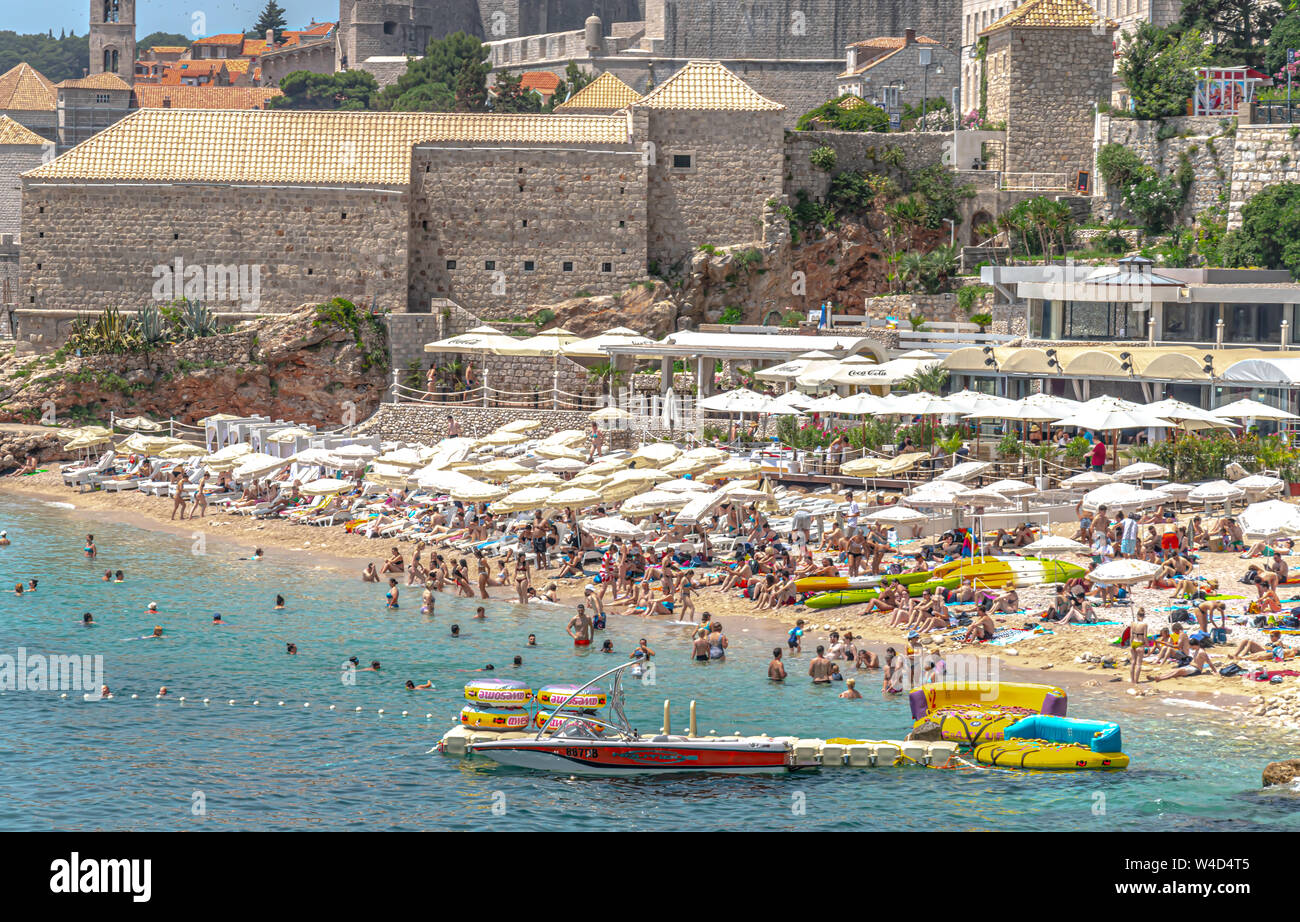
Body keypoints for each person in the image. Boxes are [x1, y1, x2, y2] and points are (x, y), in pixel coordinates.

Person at [1129, 607, 1148, 684]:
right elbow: (1145, 637)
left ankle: (1132, 680)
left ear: (1137, 615)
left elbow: (1131, 636)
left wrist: (1131, 645)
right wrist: (1147, 646)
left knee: (1133, 662)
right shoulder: (1144, 625)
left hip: (1134, 643)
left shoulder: (1132, 623)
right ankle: (1136, 681)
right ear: (1143, 616)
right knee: (1139, 663)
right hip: (1140, 643)